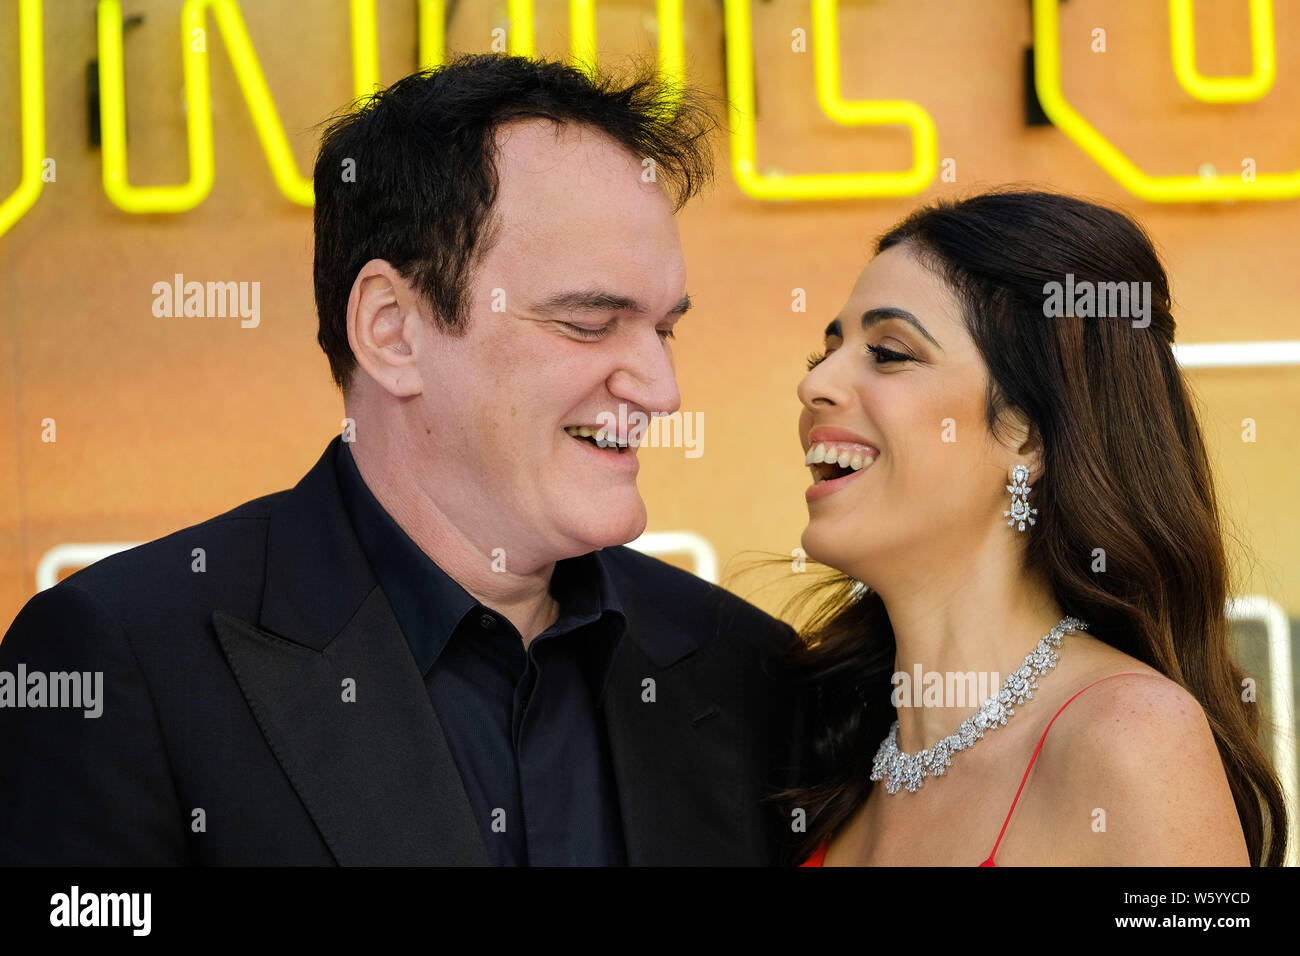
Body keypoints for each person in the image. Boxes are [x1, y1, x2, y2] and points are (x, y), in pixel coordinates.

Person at [0, 55, 806, 866]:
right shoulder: (127, 662)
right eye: (591, 323)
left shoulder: (745, 670)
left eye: (664, 330)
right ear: (392, 330)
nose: (662, 391)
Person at [785, 190, 1288, 866]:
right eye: (829, 352)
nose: (815, 386)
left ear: (1028, 435)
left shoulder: (1130, 735)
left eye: (890, 352)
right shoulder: (822, 744)